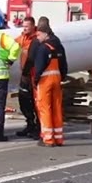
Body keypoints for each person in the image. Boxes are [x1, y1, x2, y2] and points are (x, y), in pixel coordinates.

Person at [29, 17, 69, 147]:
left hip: (45, 81)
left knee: (45, 108)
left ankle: (48, 139)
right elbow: (63, 65)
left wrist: (35, 80)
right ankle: (58, 138)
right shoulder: (58, 47)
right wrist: (62, 77)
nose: (37, 38)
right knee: (57, 108)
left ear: (44, 34)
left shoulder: (43, 48)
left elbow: (38, 67)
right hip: (57, 80)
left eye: (39, 35)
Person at [14, 17, 39, 138]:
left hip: (33, 75)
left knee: (35, 102)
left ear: (33, 26)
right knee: (23, 101)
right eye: (23, 26)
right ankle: (30, 123)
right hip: (25, 75)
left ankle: (38, 127)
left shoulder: (37, 39)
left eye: (27, 26)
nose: (24, 28)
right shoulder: (23, 37)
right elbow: (12, 44)